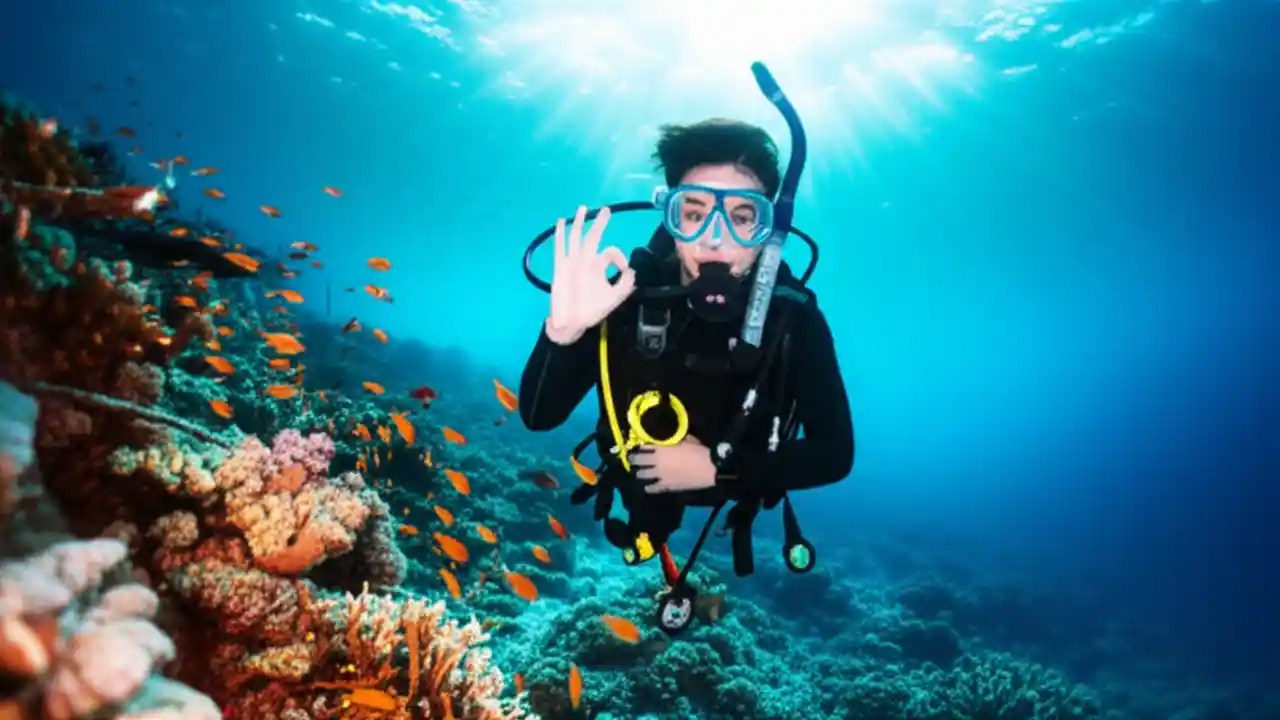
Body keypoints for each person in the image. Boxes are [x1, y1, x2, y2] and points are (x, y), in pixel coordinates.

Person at [517, 64, 854, 634]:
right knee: (647, 518)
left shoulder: (793, 320)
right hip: (644, 484)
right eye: (693, 214)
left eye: (743, 217)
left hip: (739, 485)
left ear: (769, 231)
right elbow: (537, 415)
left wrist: (720, 468)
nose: (716, 238)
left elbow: (835, 454)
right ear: (670, 220)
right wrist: (563, 335)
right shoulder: (623, 298)